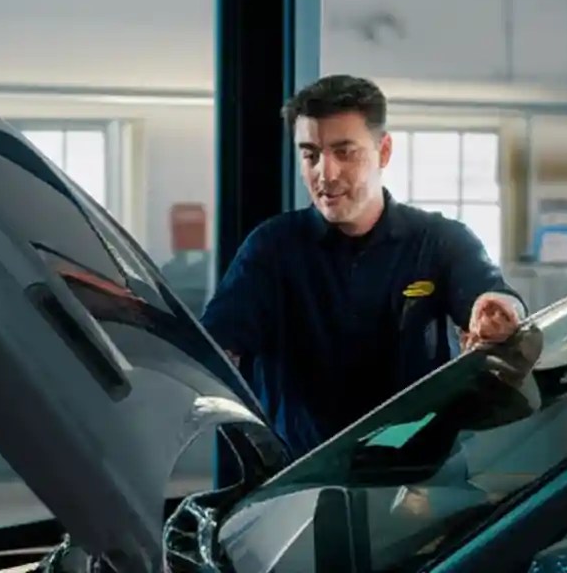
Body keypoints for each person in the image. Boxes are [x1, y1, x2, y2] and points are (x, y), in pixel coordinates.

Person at [201, 74, 527, 459]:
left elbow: (495, 297)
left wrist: (500, 312)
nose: (326, 173)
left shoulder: (438, 240)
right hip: (300, 481)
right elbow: (215, 347)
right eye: (310, 154)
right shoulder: (271, 248)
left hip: (418, 478)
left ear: (383, 151)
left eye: (345, 152)